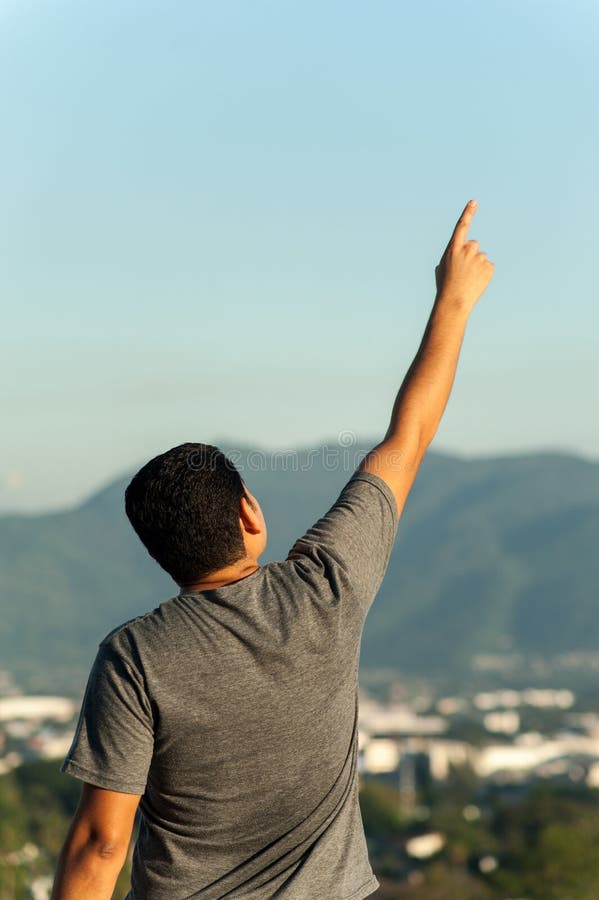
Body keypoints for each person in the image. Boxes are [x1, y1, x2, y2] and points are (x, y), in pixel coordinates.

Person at [51, 199, 494, 900]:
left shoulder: (135, 657)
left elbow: (102, 843)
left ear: (159, 551)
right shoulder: (325, 589)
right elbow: (406, 440)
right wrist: (454, 301)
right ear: (248, 514)